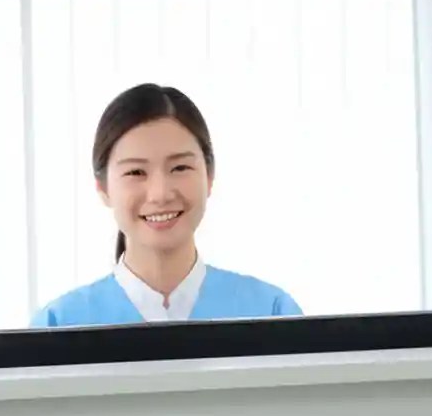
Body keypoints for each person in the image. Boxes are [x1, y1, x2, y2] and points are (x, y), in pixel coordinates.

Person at [30, 83, 302, 328]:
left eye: (180, 167)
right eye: (136, 172)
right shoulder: (59, 326)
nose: (160, 194)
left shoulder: (272, 314)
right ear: (103, 188)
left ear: (209, 177)